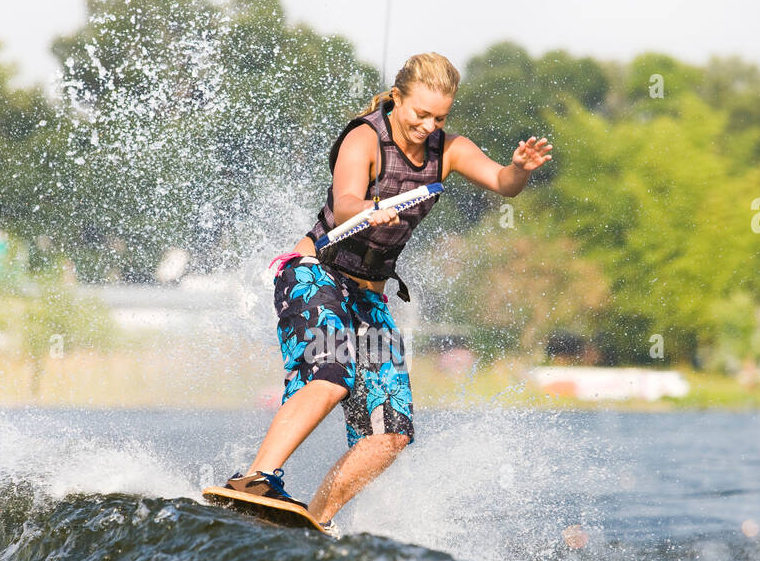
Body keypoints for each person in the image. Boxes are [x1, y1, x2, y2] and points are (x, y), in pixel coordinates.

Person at [226, 52, 551, 528]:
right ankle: (256, 477)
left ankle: (315, 520)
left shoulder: (450, 150)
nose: (428, 125)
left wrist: (519, 167)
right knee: (331, 373)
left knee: (391, 432)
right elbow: (346, 201)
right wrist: (369, 208)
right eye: (420, 113)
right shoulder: (364, 138)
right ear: (397, 98)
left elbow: (504, 183)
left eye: (440, 116)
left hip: (368, 297)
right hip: (314, 274)